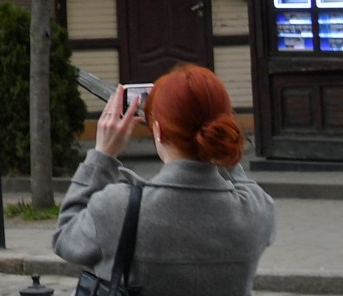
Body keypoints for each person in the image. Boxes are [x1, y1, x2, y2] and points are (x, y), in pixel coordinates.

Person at [54, 64, 275, 296]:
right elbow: (241, 182)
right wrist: (218, 144)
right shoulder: (256, 210)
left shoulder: (119, 207)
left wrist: (102, 155)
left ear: (157, 130)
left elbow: (66, 237)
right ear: (223, 123)